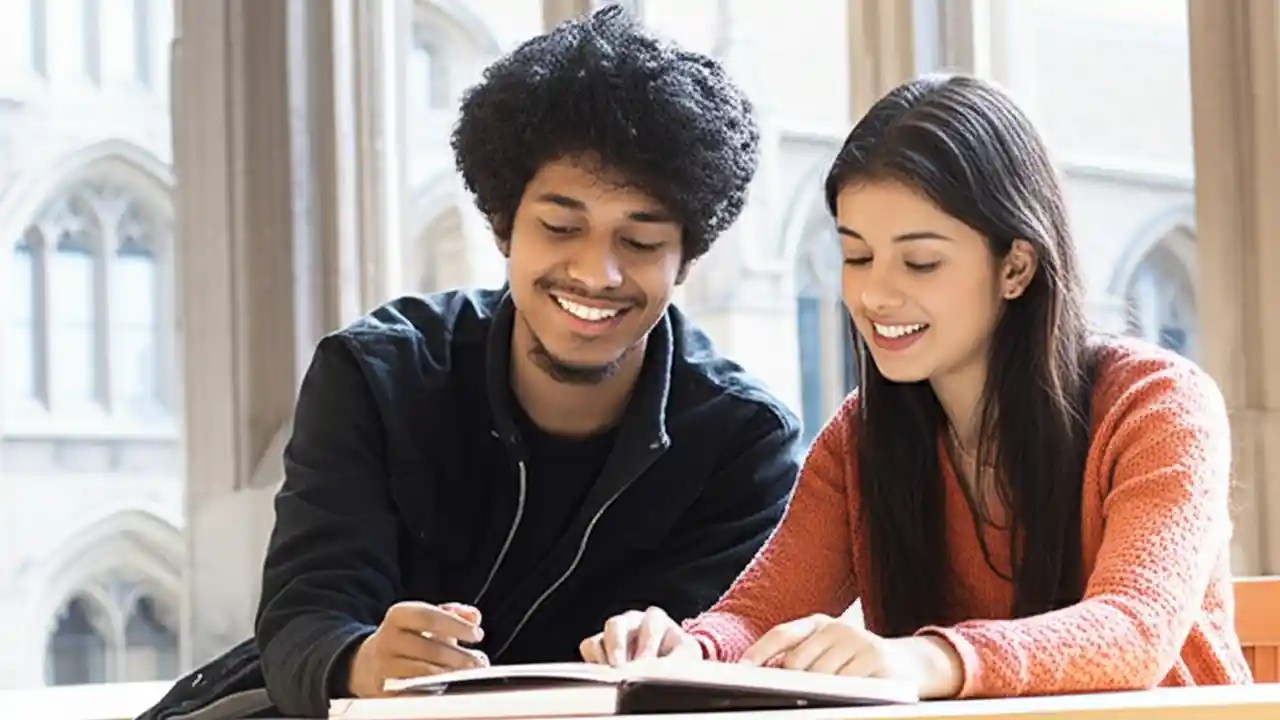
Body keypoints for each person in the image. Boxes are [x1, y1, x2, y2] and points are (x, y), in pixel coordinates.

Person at [137, 6, 801, 720]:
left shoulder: (745, 443)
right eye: (560, 227)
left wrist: (680, 649)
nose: (596, 272)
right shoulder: (375, 375)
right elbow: (307, 613)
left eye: (639, 242)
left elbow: (711, 659)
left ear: (687, 260)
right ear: (501, 225)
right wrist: (362, 661)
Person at [581, 74, 1252, 700]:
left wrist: (924, 659)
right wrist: (685, 650)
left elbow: (1134, 630)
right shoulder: (860, 438)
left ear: (1015, 266)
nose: (875, 293)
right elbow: (757, 617)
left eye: (920, 261)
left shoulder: (1157, 403)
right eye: (856, 256)